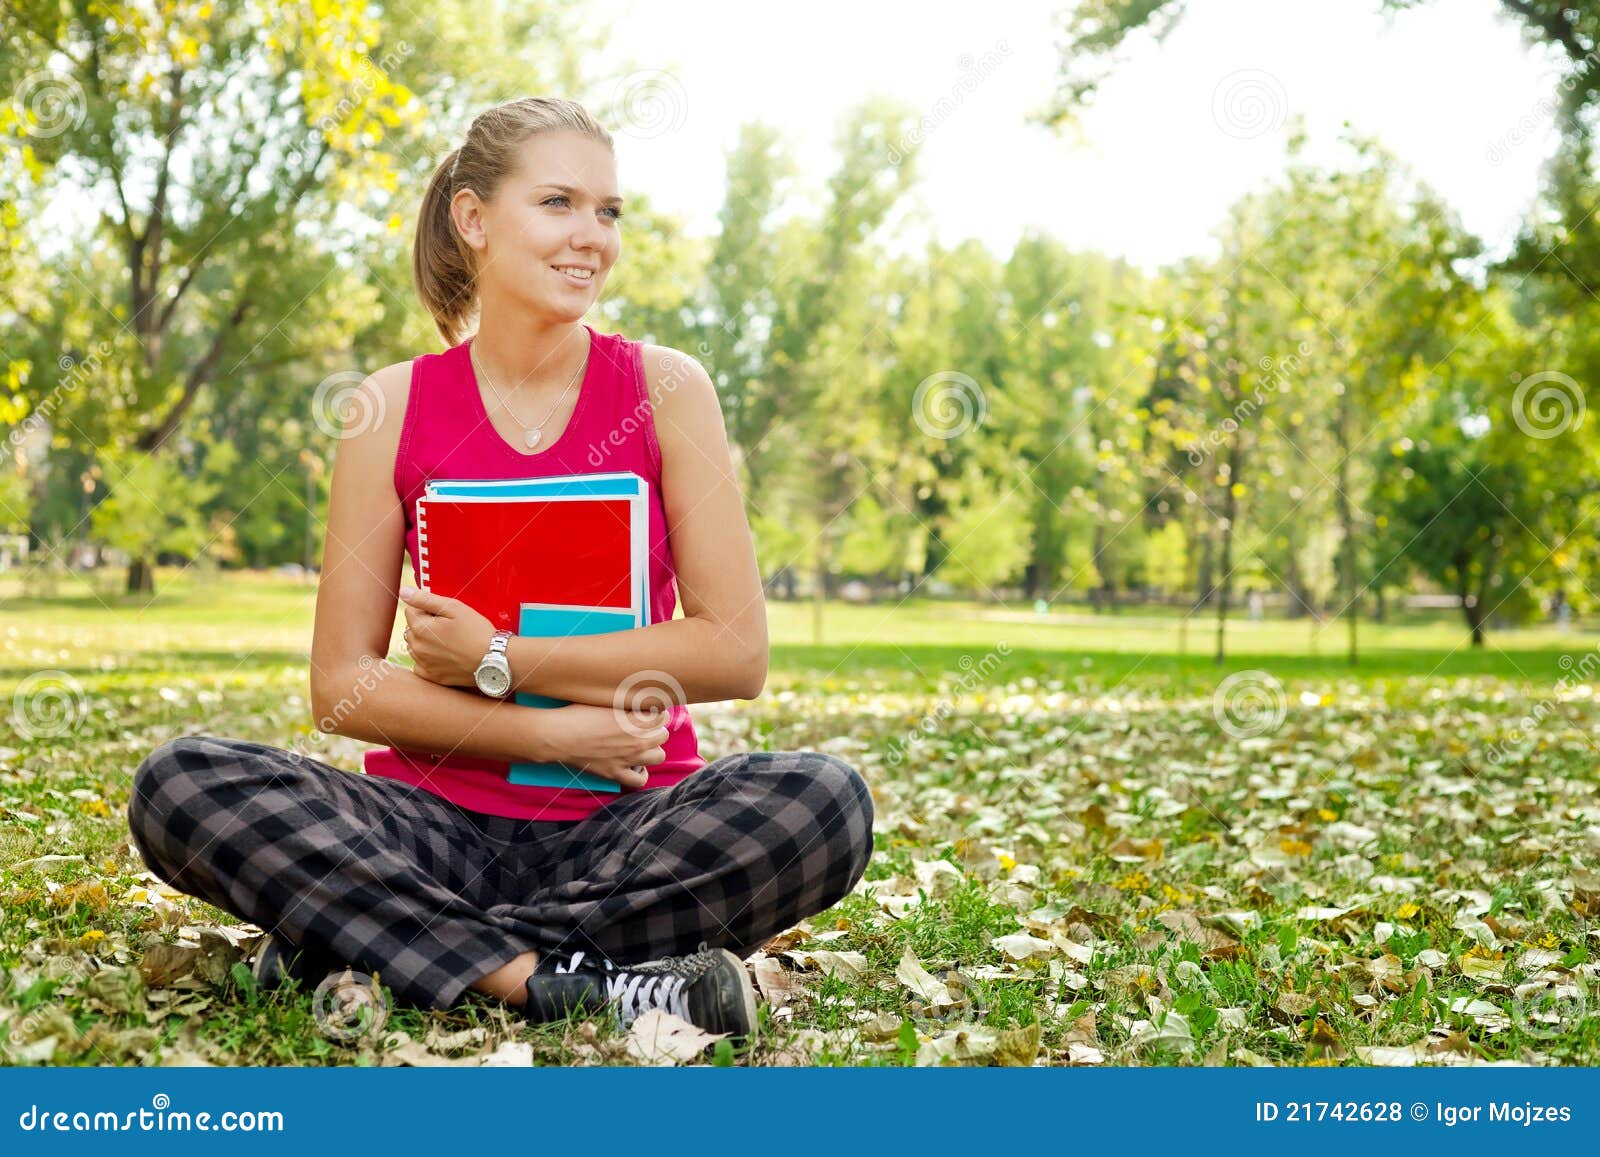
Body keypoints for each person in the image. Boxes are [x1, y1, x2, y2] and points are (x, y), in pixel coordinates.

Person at [126, 97, 875, 1045]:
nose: (591, 238)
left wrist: (504, 656)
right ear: (473, 219)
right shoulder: (389, 406)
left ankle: (366, 947)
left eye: (609, 212)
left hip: (629, 831)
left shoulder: (668, 388)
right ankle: (561, 983)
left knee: (825, 802)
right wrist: (556, 738)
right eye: (558, 202)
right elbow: (342, 688)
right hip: (428, 828)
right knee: (182, 780)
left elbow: (735, 651)